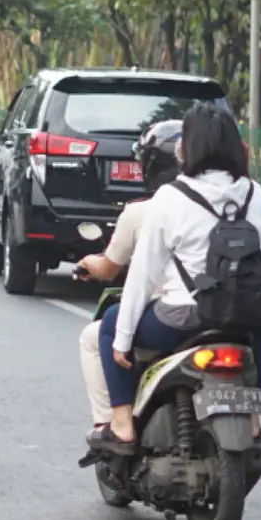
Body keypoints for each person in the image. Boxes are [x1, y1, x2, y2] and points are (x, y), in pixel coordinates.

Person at [91, 104, 261, 454]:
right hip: (244, 317)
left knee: (108, 324)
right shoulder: (255, 194)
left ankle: (122, 424)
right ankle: (252, 420)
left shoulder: (171, 197)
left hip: (182, 318)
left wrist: (122, 338)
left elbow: (143, 274)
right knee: (255, 336)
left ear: (190, 147)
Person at [75, 120, 181, 429]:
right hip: (226, 313)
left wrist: (88, 264)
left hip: (170, 314)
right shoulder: (231, 202)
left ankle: (113, 424)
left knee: (98, 334)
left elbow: (111, 269)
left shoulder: (143, 211)